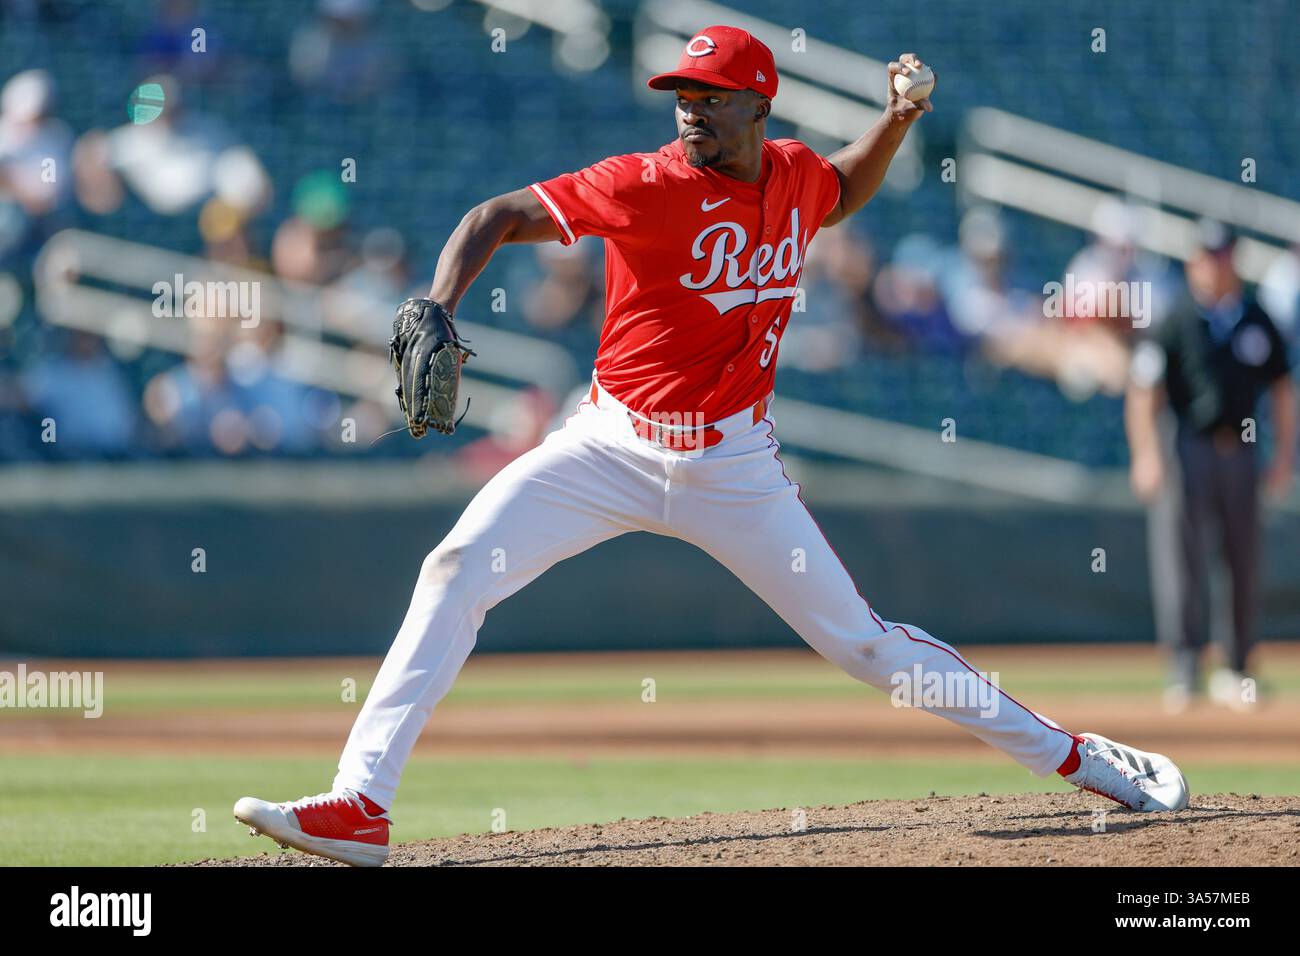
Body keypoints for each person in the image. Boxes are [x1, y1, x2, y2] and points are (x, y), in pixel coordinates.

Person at [236, 27, 1189, 867]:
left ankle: (1081, 758)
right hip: (607, 446)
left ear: (759, 105)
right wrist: (437, 301)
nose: (690, 112)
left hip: (733, 467)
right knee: (454, 569)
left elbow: (844, 189)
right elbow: (495, 216)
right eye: (683, 97)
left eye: (710, 97)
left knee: (866, 648)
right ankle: (361, 804)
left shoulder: (796, 178)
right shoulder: (643, 183)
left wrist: (898, 118)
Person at [1126, 219, 1296, 713]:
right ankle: (1184, 665)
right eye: (1205, 256)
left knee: (1243, 558)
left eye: (1221, 256)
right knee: (1181, 558)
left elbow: (1283, 390)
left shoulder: (1256, 316)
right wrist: (1146, 454)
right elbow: (1145, 391)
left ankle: (1238, 668)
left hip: (1241, 449)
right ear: (1193, 261)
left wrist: (1284, 457)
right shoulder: (1176, 317)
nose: (1214, 265)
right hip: (1188, 445)